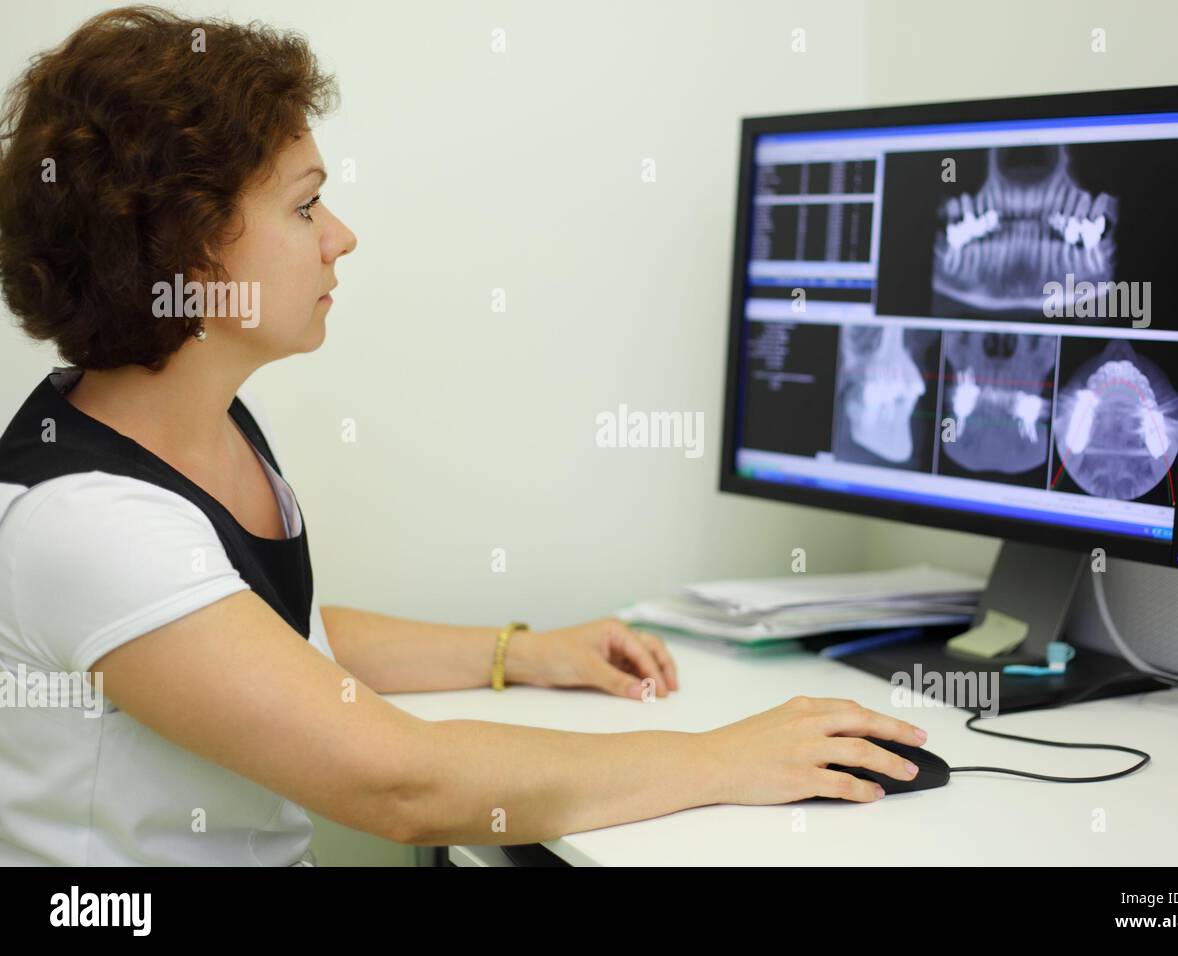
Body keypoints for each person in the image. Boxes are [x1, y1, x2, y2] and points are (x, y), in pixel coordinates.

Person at [0, 6, 926, 866]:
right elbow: (401, 782)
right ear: (188, 244)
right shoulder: (87, 522)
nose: (342, 238)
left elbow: (278, 643)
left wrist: (521, 651)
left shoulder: (197, 419)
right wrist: (725, 757)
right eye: (305, 206)